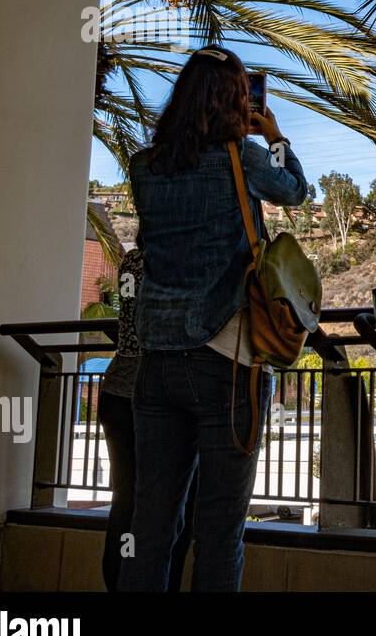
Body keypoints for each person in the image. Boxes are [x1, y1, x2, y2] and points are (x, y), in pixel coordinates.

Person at [118, 46, 308, 591]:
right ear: (238, 101)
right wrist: (274, 136)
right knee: (219, 531)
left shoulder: (144, 166)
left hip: (156, 362)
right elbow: (294, 190)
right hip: (226, 360)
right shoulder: (242, 156)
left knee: (151, 526)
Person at [98, 245, 196, 591]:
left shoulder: (132, 261)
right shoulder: (175, 261)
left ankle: (119, 580)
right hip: (155, 396)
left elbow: (129, 318)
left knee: (127, 498)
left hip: (117, 390)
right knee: (179, 504)